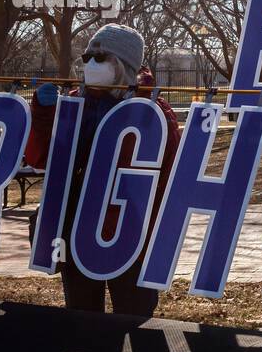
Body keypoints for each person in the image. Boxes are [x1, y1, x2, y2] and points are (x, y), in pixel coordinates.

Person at [24, 23, 181, 317]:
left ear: (123, 65)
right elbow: (39, 158)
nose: (91, 65)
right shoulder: (72, 102)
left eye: (102, 58)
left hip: (130, 238)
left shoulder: (153, 111)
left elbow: (168, 176)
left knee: (134, 320)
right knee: (81, 319)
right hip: (75, 232)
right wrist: (43, 115)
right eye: (88, 57)